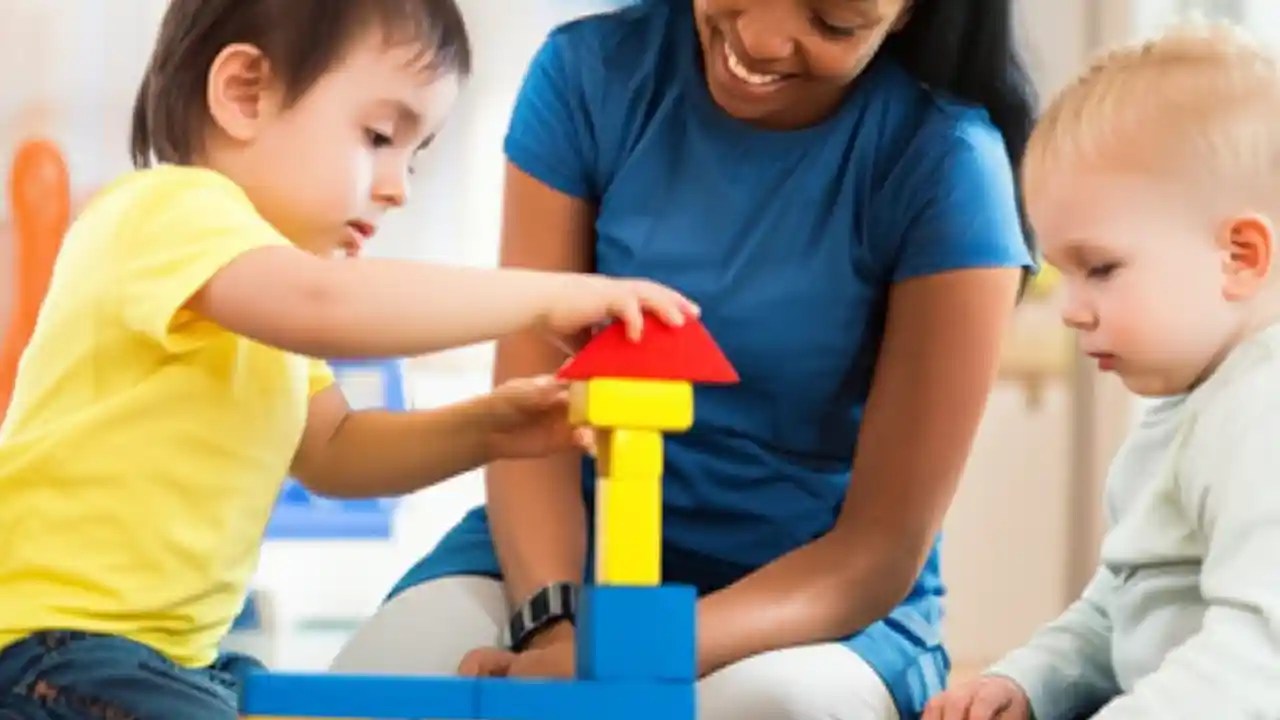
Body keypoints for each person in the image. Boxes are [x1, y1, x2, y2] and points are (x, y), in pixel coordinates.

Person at [330, 0, 1038, 717]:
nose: (761, 39)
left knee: (775, 705)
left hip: (811, 603)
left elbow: (874, 553)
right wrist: (553, 622)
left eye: (833, 22)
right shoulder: (592, 73)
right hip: (555, 558)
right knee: (383, 685)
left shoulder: (949, 165)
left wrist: (624, 655)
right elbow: (533, 420)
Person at [0, 0, 700, 717]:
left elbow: (336, 450)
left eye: (416, 154)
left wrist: (490, 429)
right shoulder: (168, 212)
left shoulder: (255, 293)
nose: (399, 186)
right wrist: (547, 297)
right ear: (245, 92)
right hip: (55, 649)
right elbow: (327, 305)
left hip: (167, 662)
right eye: (379, 136)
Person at [923, 21, 1280, 720]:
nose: (1072, 310)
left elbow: (1258, 657)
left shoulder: (1263, 416)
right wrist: (1026, 682)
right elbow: (1122, 605)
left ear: (1240, 256)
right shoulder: (1187, 410)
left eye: (1102, 269)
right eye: (1064, 274)